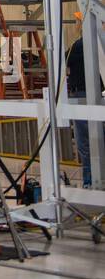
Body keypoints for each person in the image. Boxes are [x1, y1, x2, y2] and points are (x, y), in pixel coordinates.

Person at [66, 34, 92, 189]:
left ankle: (89, 181)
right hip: (94, 92)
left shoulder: (80, 44)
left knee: (84, 142)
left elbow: (64, 59)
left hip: (81, 94)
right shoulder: (97, 41)